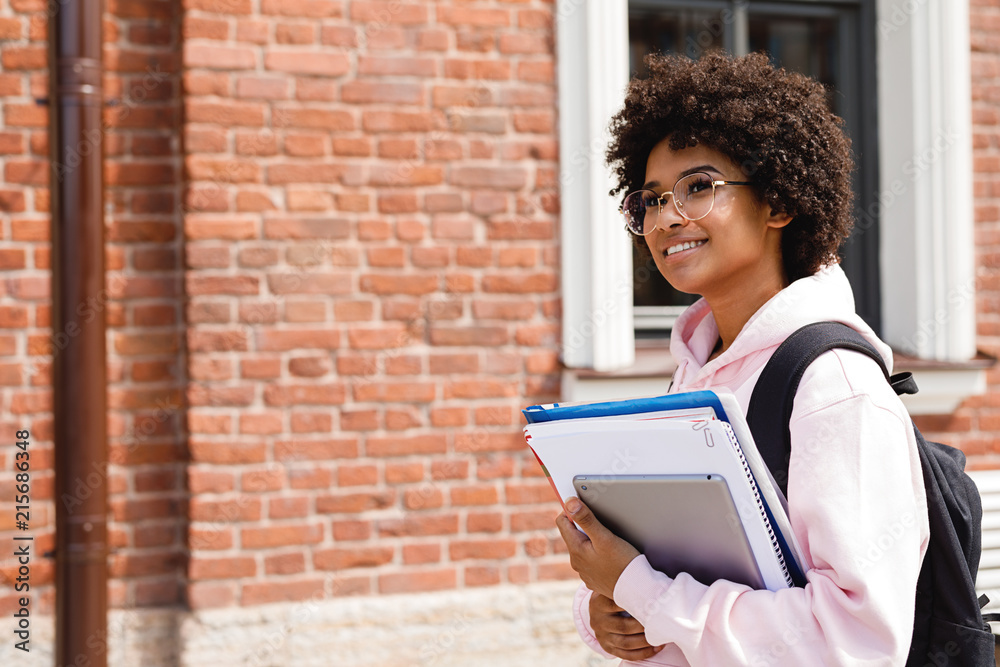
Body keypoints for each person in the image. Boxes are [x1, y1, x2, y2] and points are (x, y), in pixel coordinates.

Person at [554, 52, 929, 666]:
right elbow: (677, 572)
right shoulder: (697, 368)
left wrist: (642, 591)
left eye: (699, 187)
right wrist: (611, 612)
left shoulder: (835, 387)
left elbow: (859, 643)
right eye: (649, 199)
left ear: (779, 203)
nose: (666, 217)